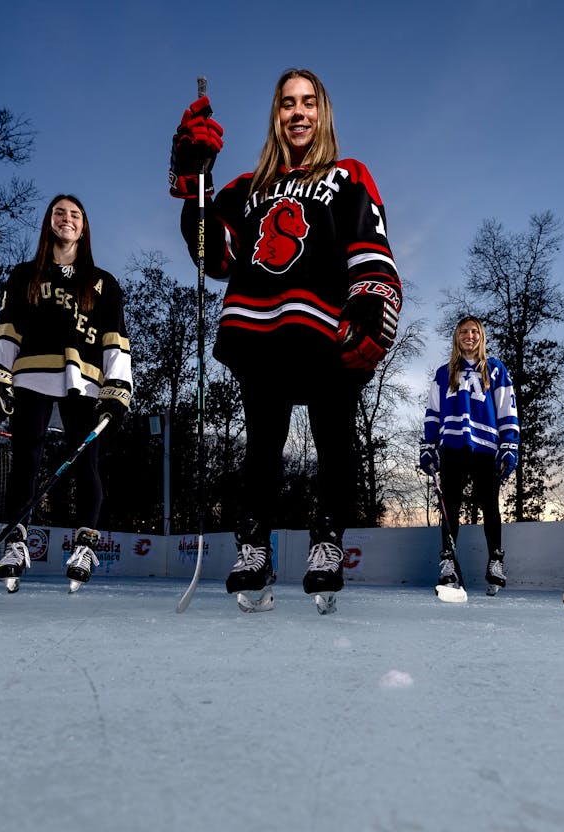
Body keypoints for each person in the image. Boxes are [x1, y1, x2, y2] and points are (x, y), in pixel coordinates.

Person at [168, 68, 402, 611]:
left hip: (324, 325)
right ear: (276, 115)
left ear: (323, 113)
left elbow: (371, 245)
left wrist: (371, 301)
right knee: (261, 447)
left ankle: (327, 539)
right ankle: (254, 545)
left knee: (334, 438)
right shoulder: (245, 187)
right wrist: (194, 176)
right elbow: (212, 254)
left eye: (308, 102)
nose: (298, 112)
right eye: (287, 103)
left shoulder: (348, 175)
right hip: (259, 327)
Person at [0, 193, 133, 593]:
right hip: (31, 375)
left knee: (86, 463)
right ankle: (15, 543)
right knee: (24, 460)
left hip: (85, 379)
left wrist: (117, 390)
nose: (67, 218)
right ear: (49, 222)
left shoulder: (103, 282)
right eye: (59, 212)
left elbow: (115, 340)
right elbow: (8, 327)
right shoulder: (24, 275)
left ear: (84, 226)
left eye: (75, 214)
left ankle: (84, 546)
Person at [420, 317, 518, 595]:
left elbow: (507, 408)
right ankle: (448, 562)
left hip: (486, 447)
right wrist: (429, 444)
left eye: (474, 331)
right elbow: (433, 411)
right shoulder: (444, 373)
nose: (469, 335)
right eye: (464, 331)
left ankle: (495, 560)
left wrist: (509, 444)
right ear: (457, 337)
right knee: (449, 506)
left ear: (481, 336)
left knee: (489, 504)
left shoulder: (495, 369)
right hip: (452, 446)